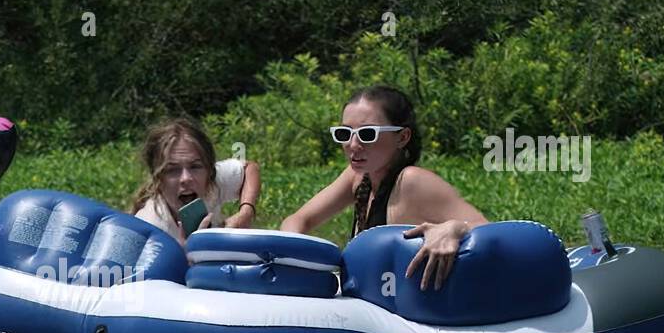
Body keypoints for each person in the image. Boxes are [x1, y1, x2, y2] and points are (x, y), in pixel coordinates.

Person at [279, 86, 488, 290]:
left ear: (403, 137)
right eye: (344, 134)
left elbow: (489, 228)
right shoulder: (358, 177)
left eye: (367, 134)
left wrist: (456, 228)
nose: (352, 144)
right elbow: (298, 219)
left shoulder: (412, 182)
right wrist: (294, 256)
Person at [129, 117, 261, 244]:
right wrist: (184, 255)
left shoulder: (211, 182)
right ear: (157, 179)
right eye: (172, 170)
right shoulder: (150, 226)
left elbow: (249, 169)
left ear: (209, 170)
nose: (186, 178)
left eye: (195, 166)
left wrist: (246, 212)